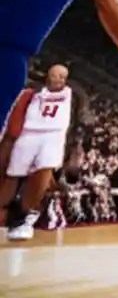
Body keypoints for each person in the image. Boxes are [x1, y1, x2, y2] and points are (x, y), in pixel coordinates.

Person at [0, 64, 74, 240]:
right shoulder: (33, 92)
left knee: (43, 173)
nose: (58, 79)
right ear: (48, 75)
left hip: (53, 136)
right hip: (28, 134)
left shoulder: (71, 93)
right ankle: (5, 210)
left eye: (62, 77)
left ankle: (25, 217)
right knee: (13, 174)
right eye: (55, 75)